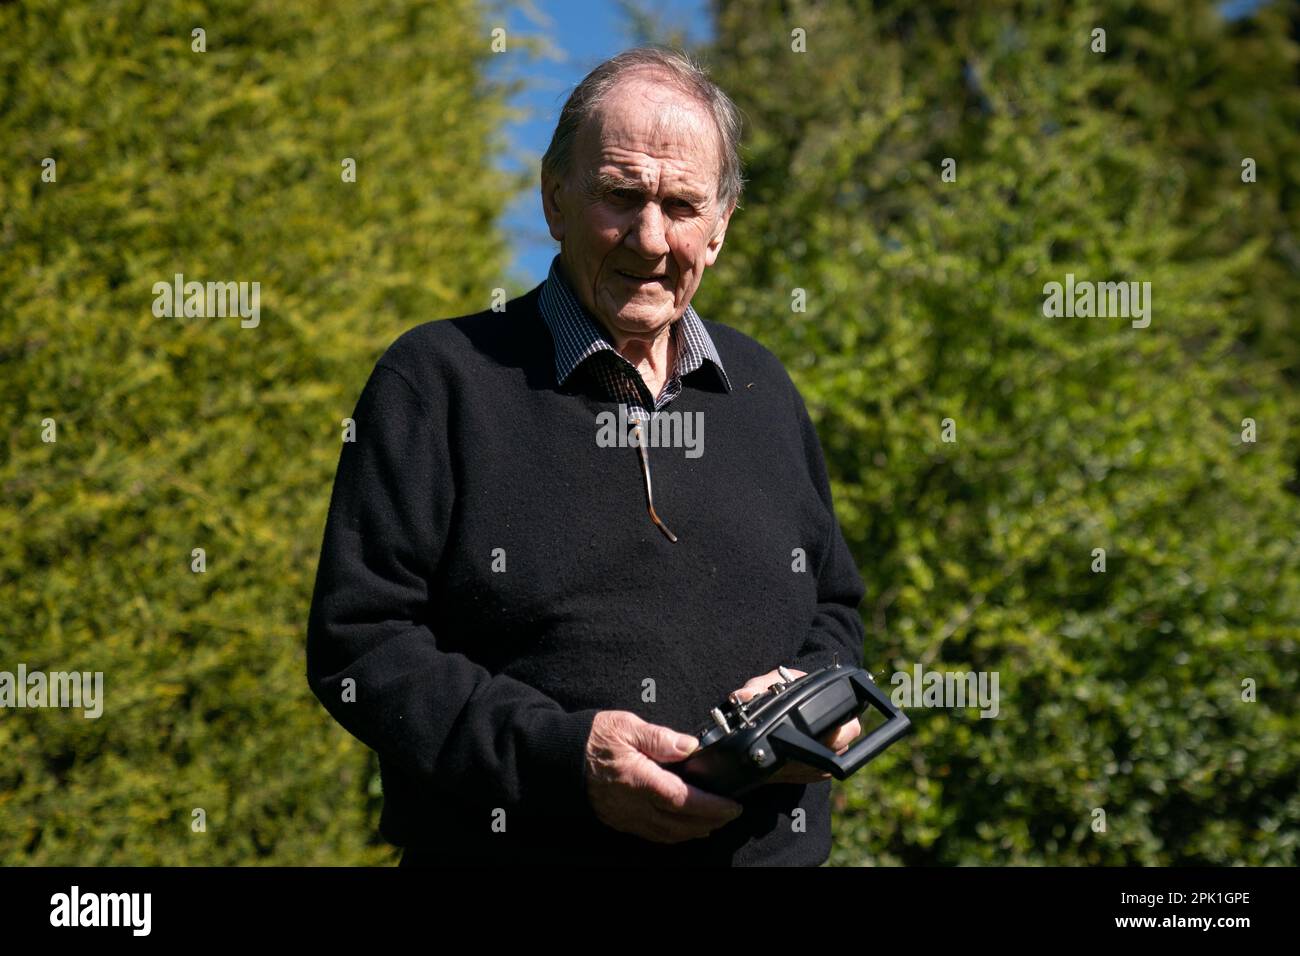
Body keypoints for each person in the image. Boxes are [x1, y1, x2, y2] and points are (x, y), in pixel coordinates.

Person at [306, 45, 867, 866]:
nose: (649, 237)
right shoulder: (438, 380)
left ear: (720, 228)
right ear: (554, 197)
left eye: (681, 204)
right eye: (620, 196)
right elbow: (360, 642)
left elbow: (836, 611)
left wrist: (812, 696)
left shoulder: (765, 392)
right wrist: (564, 759)